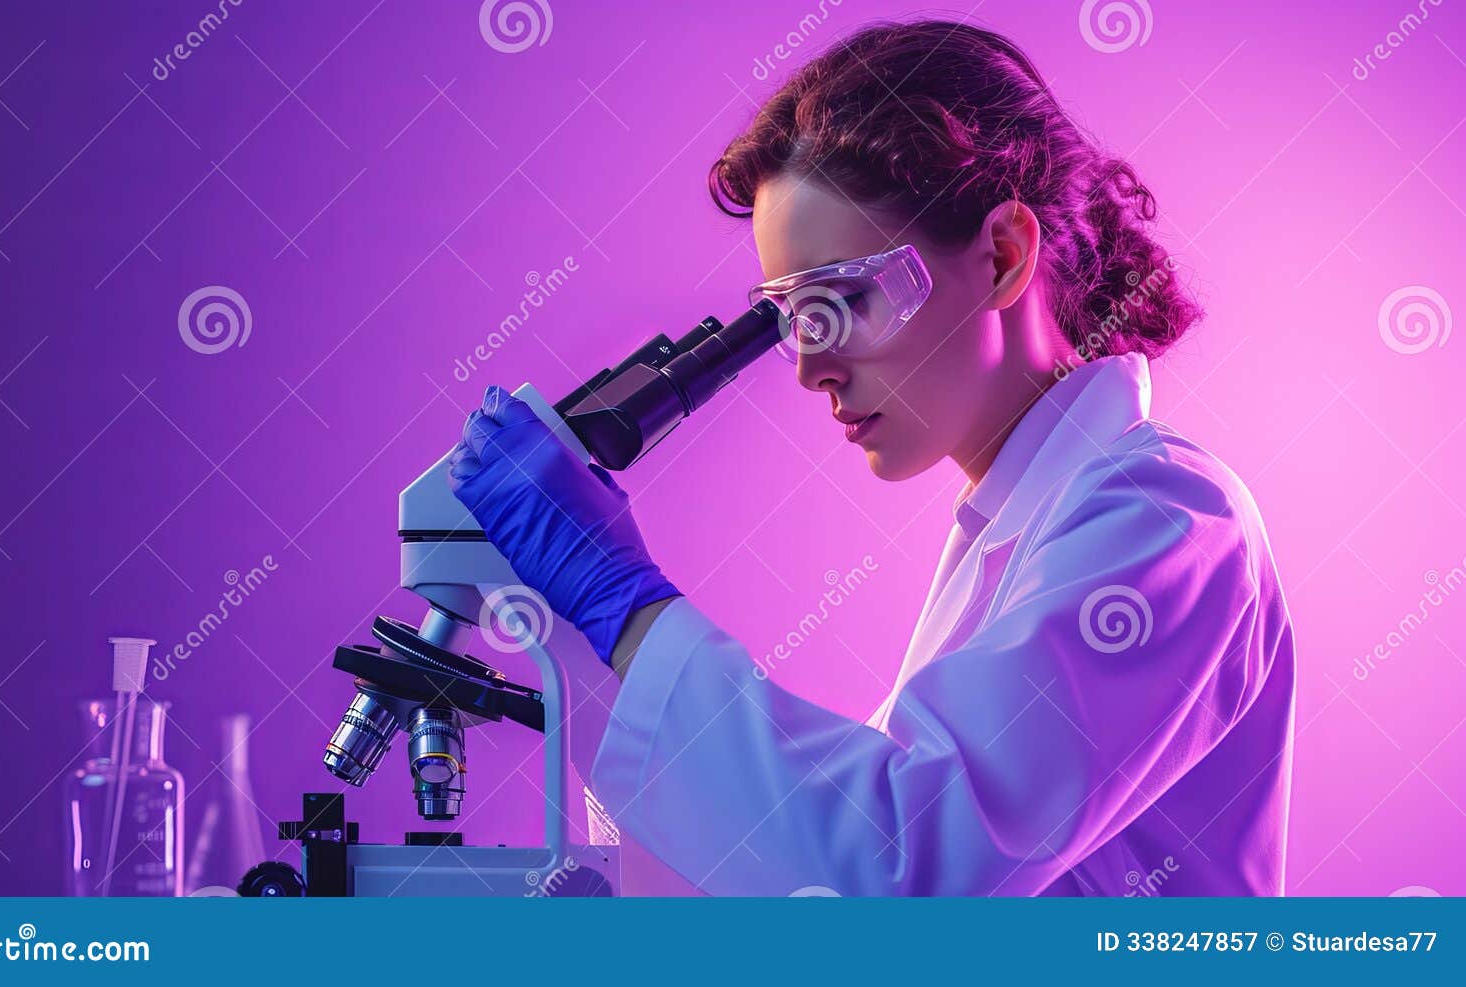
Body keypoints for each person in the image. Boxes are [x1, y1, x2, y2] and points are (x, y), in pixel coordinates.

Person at [446, 20, 1294, 896]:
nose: (811, 367)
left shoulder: (1167, 520)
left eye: (846, 299)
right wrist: (583, 636)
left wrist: (624, 605)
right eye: (792, 318)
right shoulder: (1015, 531)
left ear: (1002, 256)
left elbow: (900, 870)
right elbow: (804, 871)